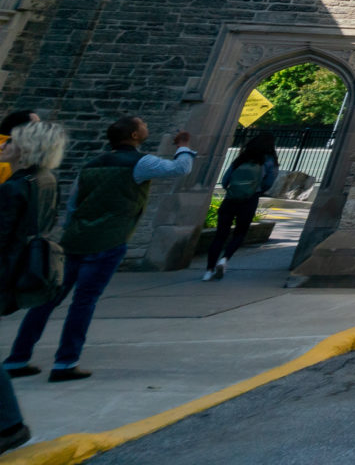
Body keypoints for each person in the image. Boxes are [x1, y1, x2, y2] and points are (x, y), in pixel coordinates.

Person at [5, 118, 196, 384]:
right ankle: (66, 362)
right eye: (142, 125)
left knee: (47, 298)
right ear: (134, 135)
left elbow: (74, 204)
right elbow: (180, 169)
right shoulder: (140, 163)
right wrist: (184, 145)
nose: (145, 126)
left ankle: (17, 358)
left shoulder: (92, 164)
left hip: (75, 239)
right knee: (84, 302)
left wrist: (71, 233)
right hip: (109, 239)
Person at [0, 124, 66, 448]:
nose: (4, 145)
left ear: (26, 147)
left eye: (11, 141)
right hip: (22, 271)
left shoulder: (14, 188)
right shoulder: (46, 181)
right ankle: (10, 425)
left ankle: (10, 426)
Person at [202, 127, 278, 281]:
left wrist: (234, 189)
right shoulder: (270, 161)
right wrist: (255, 189)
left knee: (220, 235)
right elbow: (269, 183)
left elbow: (225, 181)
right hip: (250, 199)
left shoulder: (241, 158)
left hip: (230, 199)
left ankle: (208, 271)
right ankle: (225, 259)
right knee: (239, 233)